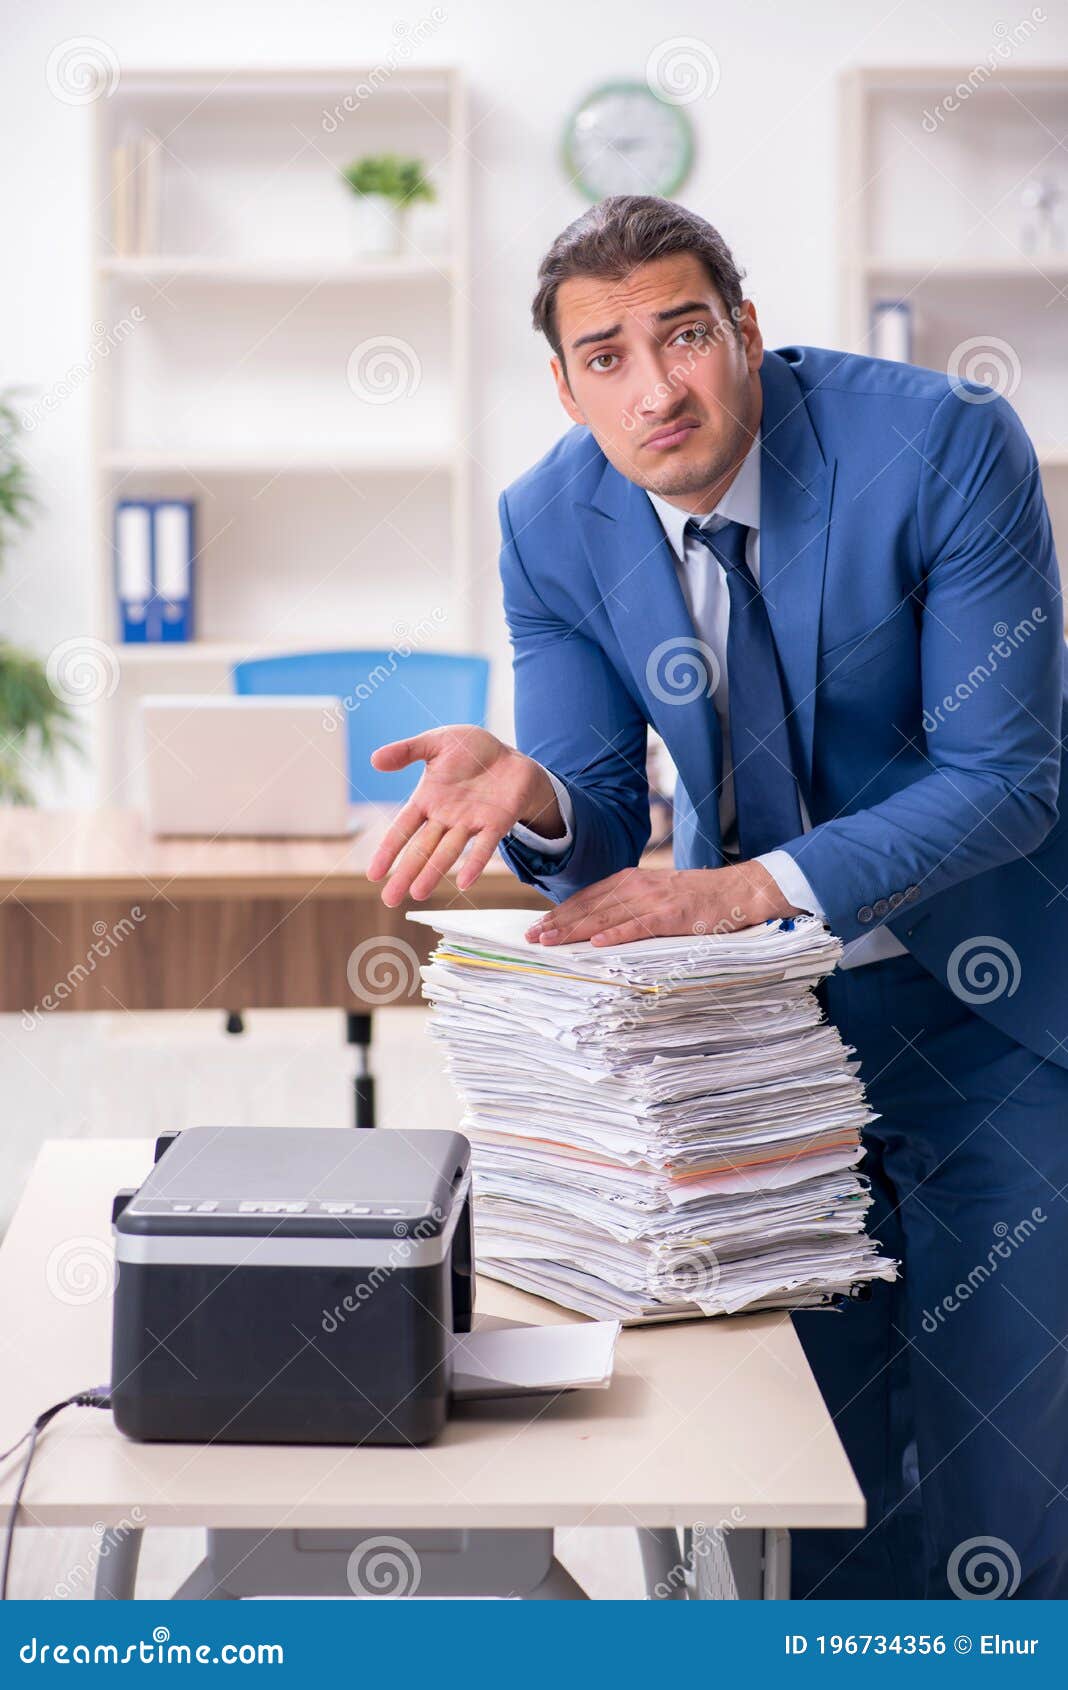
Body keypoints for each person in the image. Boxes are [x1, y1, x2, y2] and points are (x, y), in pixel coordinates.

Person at [367, 194, 1068, 1599]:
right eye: (607, 357)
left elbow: (1011, 778)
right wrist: (538, 791)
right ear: (564, 388)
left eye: (684, 335)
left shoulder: (935, 447)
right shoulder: (550, 522)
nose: (658, 387)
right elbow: (603, 811)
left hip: (988, 1005)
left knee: (1009, 1487)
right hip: (761, 1048)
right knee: (804, 1479)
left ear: (745, 333)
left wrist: (748, 888)